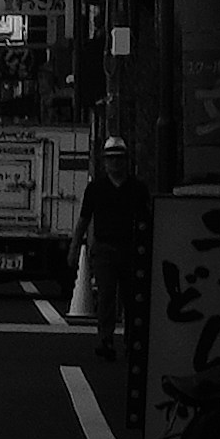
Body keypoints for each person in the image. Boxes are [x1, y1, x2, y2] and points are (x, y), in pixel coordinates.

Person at [76, 134, 151, 358]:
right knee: (106, 296)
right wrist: (74, 248)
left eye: (119, 159)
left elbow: (147, 220)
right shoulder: (96, 188)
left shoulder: (137, 189)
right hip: (105, 248)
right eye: (111, 159)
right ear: (105, 161)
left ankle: (132, 340)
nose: (115, 163)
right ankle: (105, 339)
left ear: (126, 161)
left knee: (132, 297)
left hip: (132, 248)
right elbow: (83, 219)